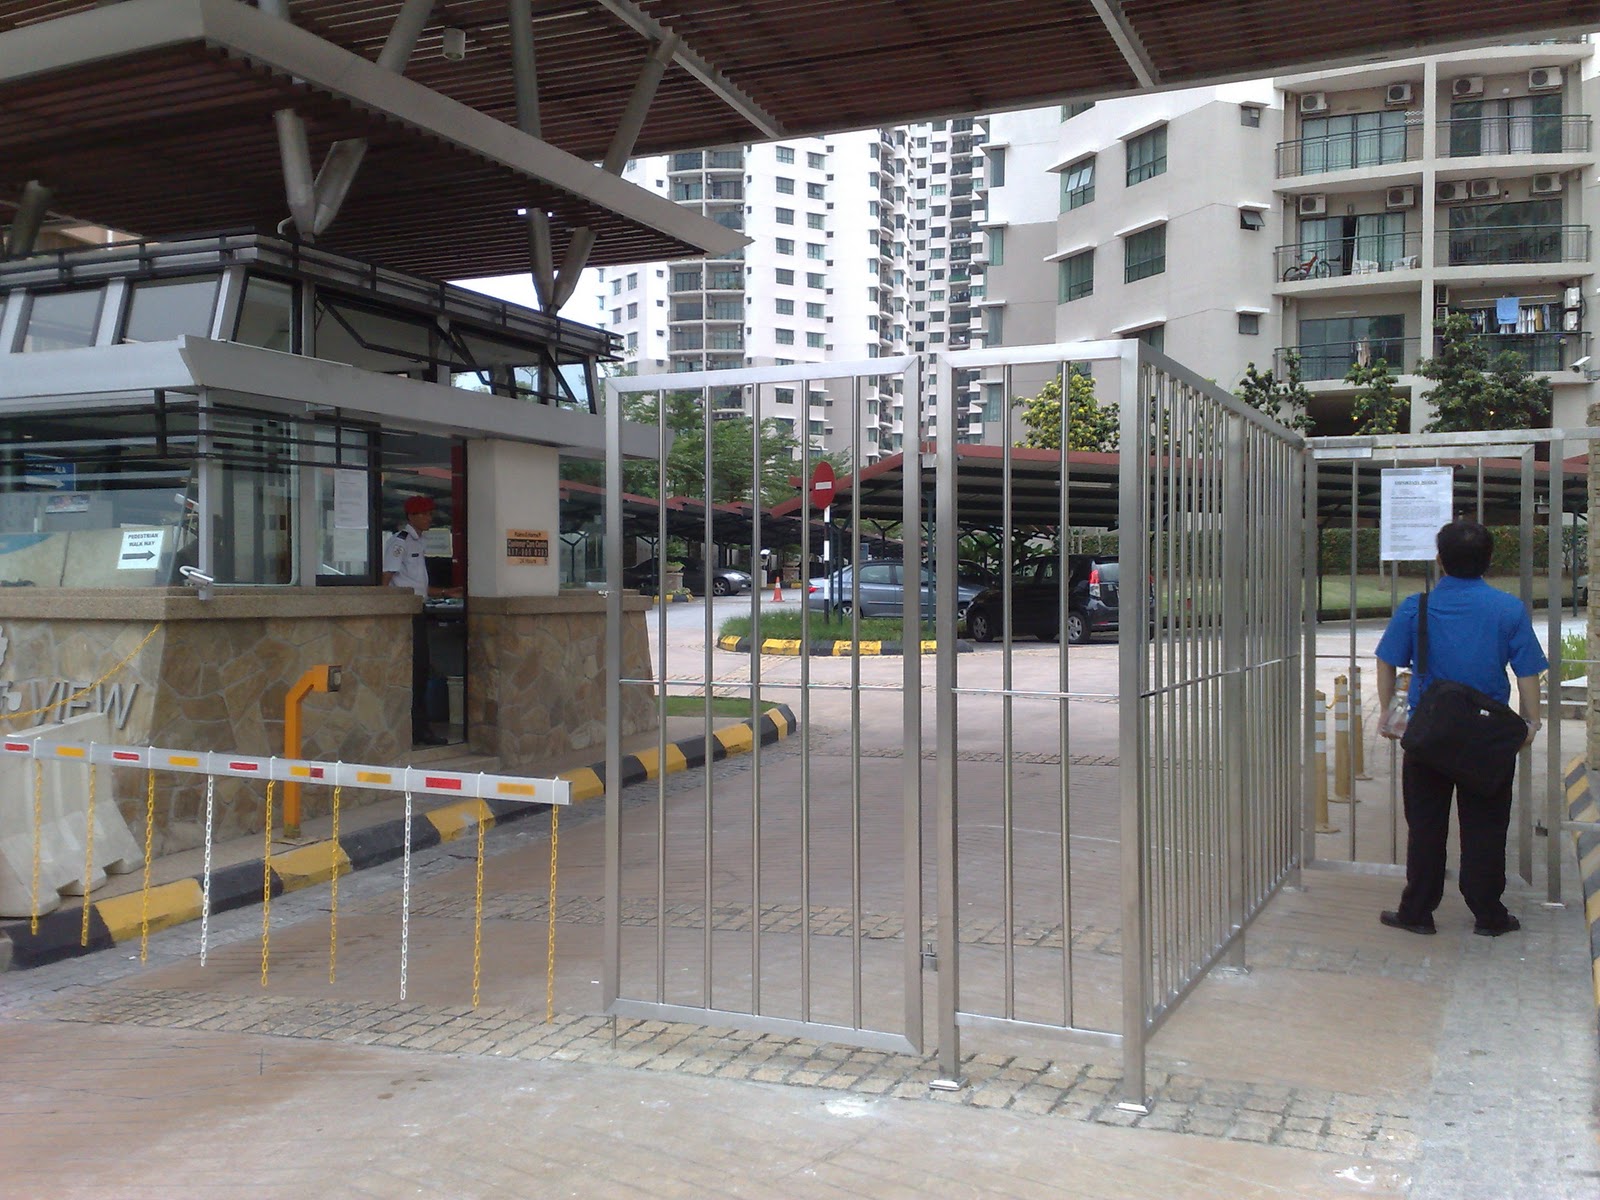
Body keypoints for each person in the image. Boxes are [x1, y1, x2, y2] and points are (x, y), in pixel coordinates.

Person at [1374, 519, 1546, 938]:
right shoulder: (1508, 609)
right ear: (1489, 560)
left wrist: (1388, 712)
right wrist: (1530, 723)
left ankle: (1418, 911)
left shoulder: (1418, 606)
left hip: (1428, 737)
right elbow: (1527, 673)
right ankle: (1488, 914)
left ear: (1439, 559)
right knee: (1486, 826)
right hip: (1486, 740)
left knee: (1426, 826)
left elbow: (1386, 659)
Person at [382, 495, 458, 747]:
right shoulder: (399, 543)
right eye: (424, 514)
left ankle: (420, 726)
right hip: (406, 612)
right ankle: (418, 729)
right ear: (412, 516)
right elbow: (387, 578)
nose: (429, 518)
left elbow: (419, 585)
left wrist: (447, 592)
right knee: (416, 671)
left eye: (429, 513)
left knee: (422, 671)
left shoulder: (420, 543)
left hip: (419, 607)